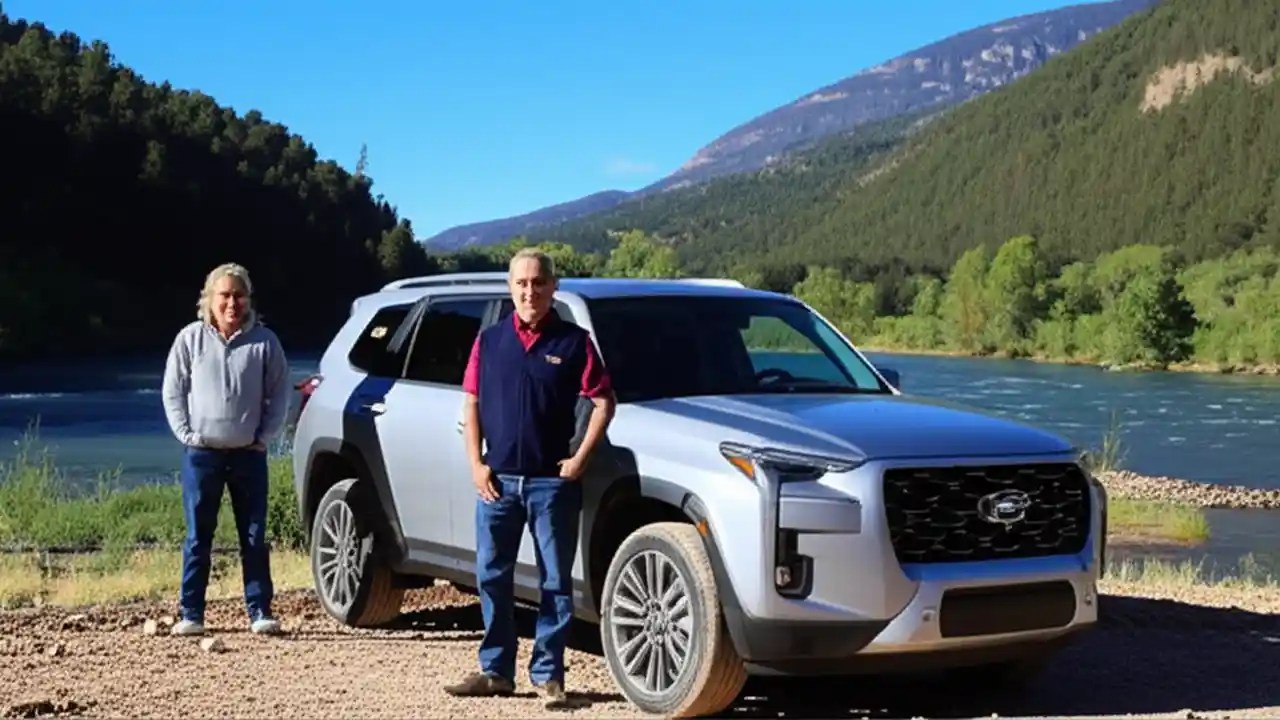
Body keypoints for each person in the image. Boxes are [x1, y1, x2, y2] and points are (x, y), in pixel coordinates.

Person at [445, 248, 616, 704]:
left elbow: (604, 402)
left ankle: (549, 675)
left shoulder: (575, 342)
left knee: (556, 581)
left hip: (551, 484)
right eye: (521, 283)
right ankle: (495, 670)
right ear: (510, 288)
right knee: (491, 576)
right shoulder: (490, 340)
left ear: (553, 287)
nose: (530, 291)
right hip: (496, 482)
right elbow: (471, 403)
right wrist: (476, 465)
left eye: (538, 283)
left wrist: (578, 460)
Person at [161, 262, 291, 637]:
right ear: (209, 299)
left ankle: (259, 610)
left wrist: (264, 437)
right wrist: (186, 433)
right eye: (225, 295)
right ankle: (192, 613)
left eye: (239, 295)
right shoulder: (190, 338)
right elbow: (172, 390)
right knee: (197, 536)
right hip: (202, 455)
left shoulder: (265, 342)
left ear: (249, 300)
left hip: (249, 454)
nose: (232, 303)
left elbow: (280, 393)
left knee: (252, 535)